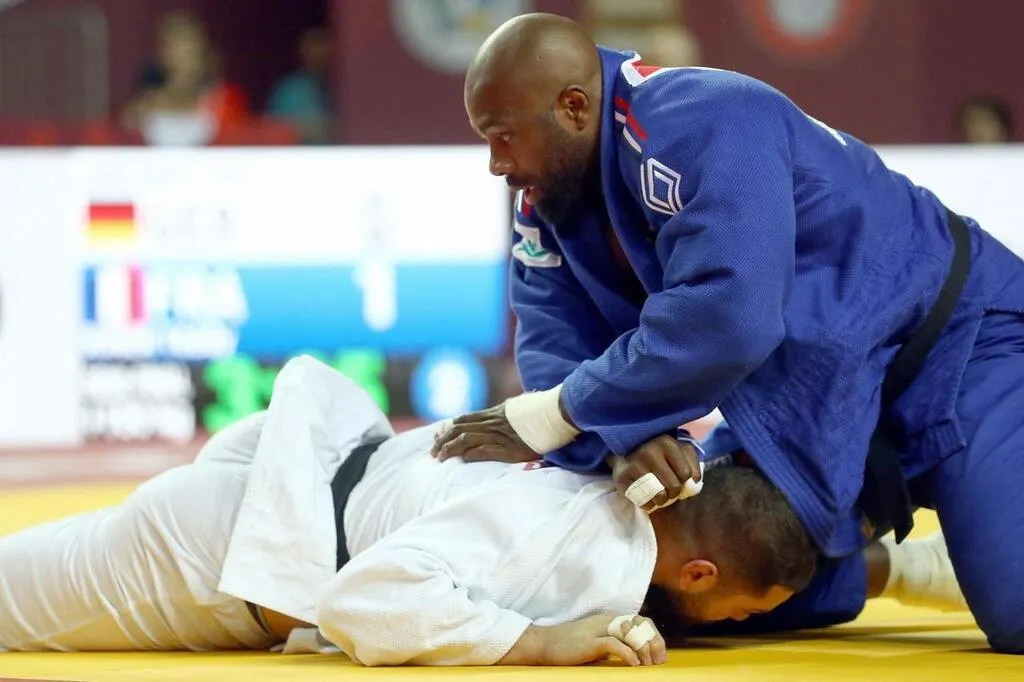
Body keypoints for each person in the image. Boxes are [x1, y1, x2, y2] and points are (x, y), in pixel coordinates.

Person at [431, 13, 1024, 653]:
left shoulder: (702, 116)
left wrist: (560, 413)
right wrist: (624, 441)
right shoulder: (546, 201)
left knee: (1018, 615)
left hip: (954, 347)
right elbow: (554, 342)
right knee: (690, 573)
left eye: (503, 137)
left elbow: (730, 317)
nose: (496, 164)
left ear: (573, 107)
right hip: (810, 391)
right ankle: (908, 569)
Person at [3, 355, 829, 666]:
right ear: (699, 572)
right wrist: (540, 643)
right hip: (223, 554)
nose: (734, 626)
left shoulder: (624, 462)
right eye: (742, 611)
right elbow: (363, 597)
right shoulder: (581, 554)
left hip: (288, 485)